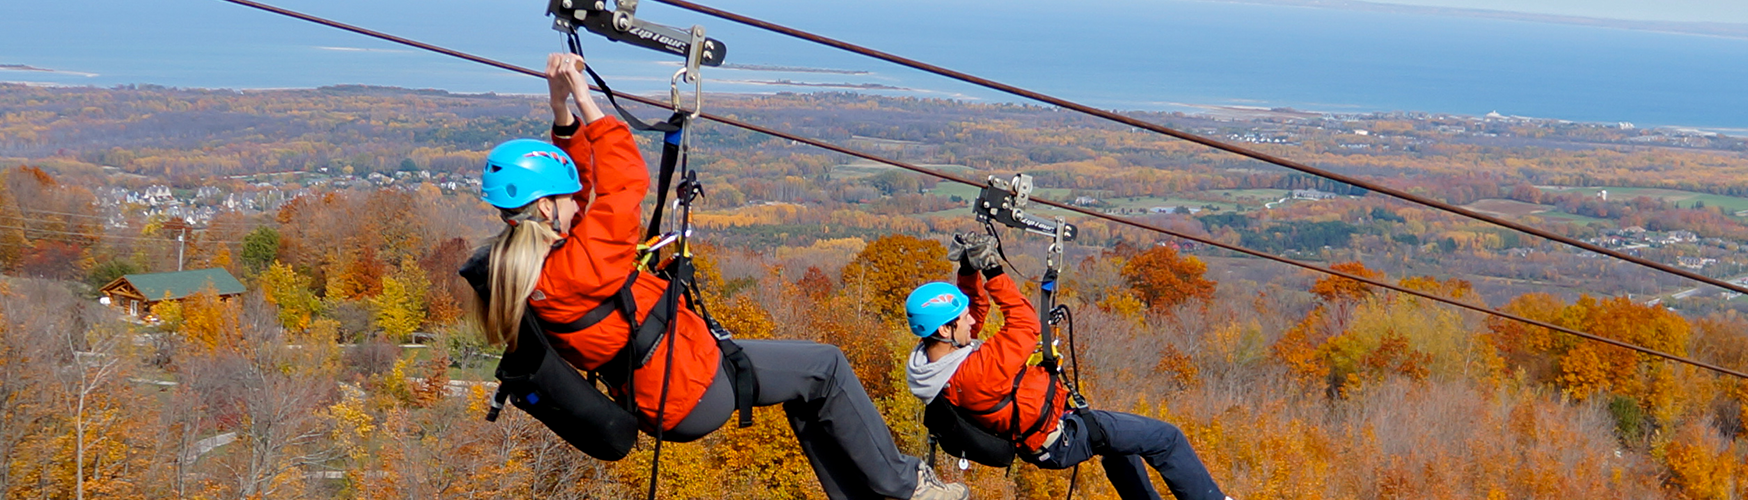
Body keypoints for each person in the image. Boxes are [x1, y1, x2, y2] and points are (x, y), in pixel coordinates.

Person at [466, 53, 967, 500]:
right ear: (547, 209)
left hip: (667, 382)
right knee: (827, 367)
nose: (579, 204)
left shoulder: (525, 268)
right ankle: (908, 487)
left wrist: (562, 117)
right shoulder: (580, 264)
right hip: (691, 385)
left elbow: (581, 190)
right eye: (566, 200)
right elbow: (624, 180)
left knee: (809, 390)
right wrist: (584, 100)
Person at [904, 233, 1230, 500]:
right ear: (945, 329)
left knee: (1121, 447)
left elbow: (975, 307)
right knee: (1166, 438)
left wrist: (967, 269)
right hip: (1058, 437)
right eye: (962, 320)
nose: (972, 320)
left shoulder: (935, 362)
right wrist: (992, 270)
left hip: (1048, 430)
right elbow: (1024, 324)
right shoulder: (976, 372)